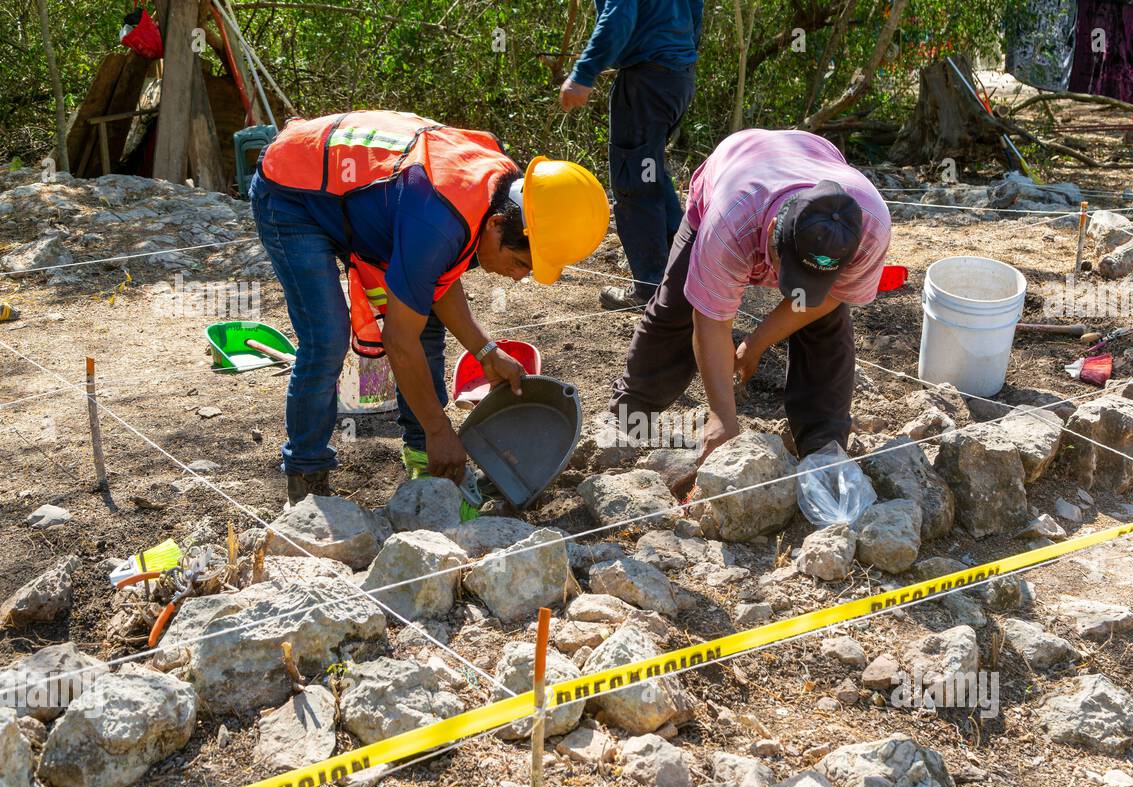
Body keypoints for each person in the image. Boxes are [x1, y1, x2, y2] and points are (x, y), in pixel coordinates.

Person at [248, 110, 609, 503]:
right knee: (326, 338)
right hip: (292, 191)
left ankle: (422, 454)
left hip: (363, 198)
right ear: (496, 226)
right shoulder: (439, 218)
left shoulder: (498, 190)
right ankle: (306, 475)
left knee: (428, 321)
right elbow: (400, 340)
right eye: (521, 263)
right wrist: (442, 430)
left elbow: (438, 278)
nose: (519, 277)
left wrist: (486, 351)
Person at [609, 128, 891, 472]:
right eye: (791, 272)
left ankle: (823, 450)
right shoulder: (729, 223)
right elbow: (710, 320)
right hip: (739, 168)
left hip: (808, 159)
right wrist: (723, 418)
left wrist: (755, 344)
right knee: (676, 308)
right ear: (773, 231)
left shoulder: (870, 228)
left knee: (825, 325)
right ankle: (628, 417)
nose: (794, 291)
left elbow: (829, 297)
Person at [559, 0, 702, 311]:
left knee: (635, 180)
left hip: (647, 81)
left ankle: (651, 288)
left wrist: (583, 74)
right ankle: (682, 278)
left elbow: (618, 14)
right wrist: (680, 57)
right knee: (650, 171)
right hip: (678, 77)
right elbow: (695, 10)